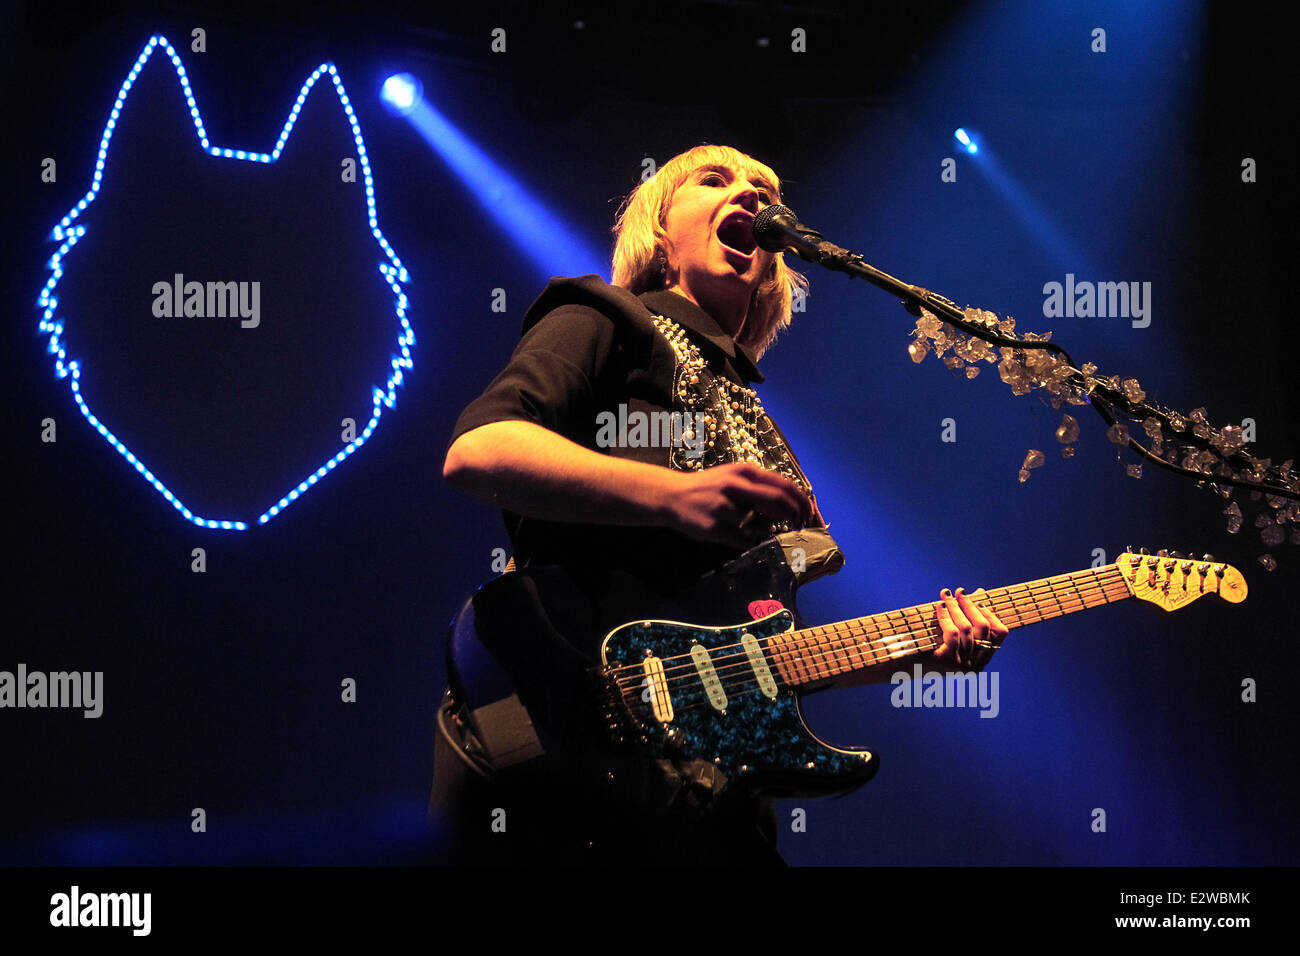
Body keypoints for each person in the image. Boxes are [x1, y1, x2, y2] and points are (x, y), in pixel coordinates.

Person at [436, 144, 1007, 865]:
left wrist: (921, 656)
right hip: (568, 733)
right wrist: (673, 495)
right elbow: (480, 450)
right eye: (715, 180)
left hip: (714, 799)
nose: (749, 195)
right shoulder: (606, 316)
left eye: (765, 188)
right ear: (661, 231)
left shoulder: (759, 423)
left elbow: (755, 658)